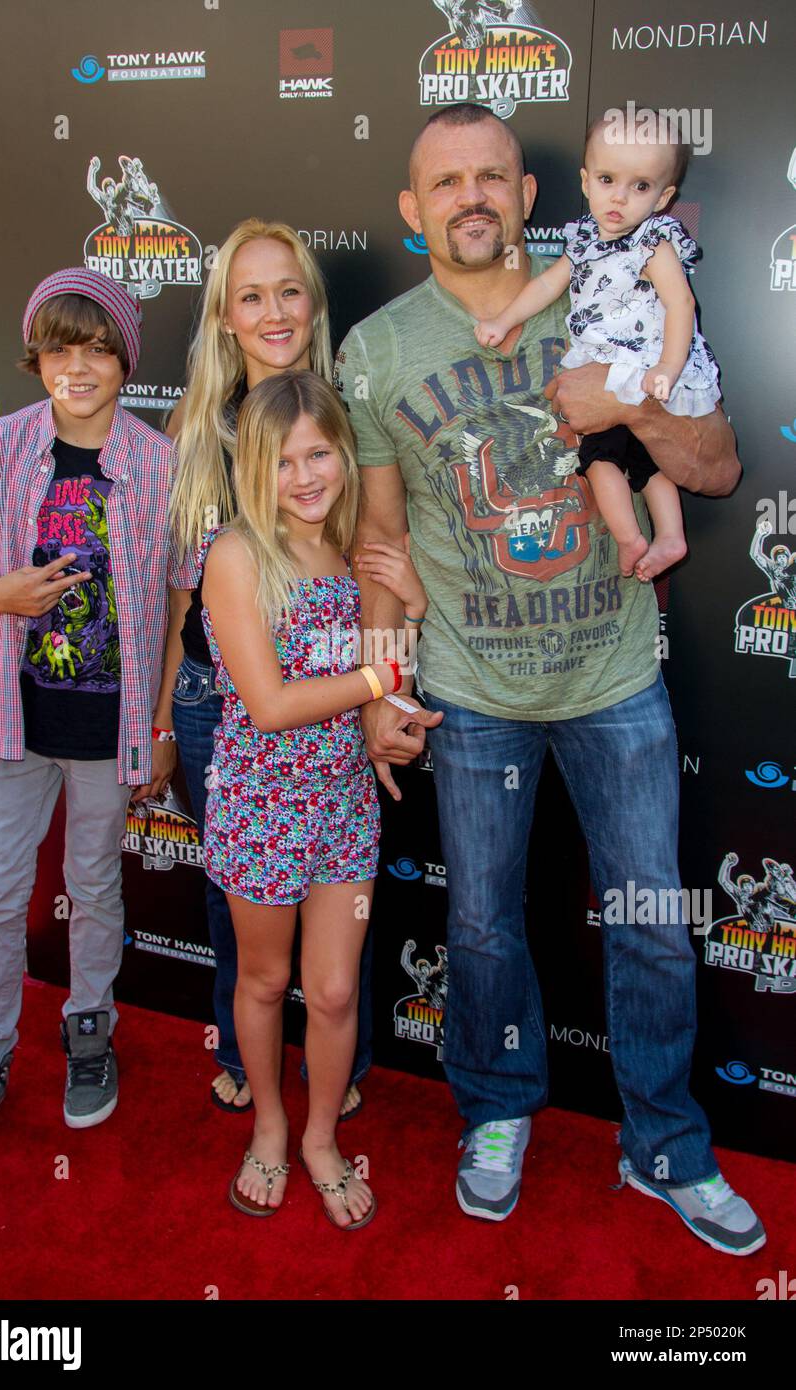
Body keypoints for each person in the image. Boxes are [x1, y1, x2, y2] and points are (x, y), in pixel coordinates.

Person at [335, 102, 766, 1255]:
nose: (471, 197)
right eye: (446, 182)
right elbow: (378, 542)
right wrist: (380, 686)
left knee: (653, 929)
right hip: (471, 693)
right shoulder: (375, 350)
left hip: (615, 677)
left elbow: (716, 464)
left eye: (493, 177)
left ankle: (665, 1145)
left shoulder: (613, 282)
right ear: (411, 211)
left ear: (534, 197)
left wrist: (624, 403)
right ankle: (494, 1109)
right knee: (477, 927)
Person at [0, 268, 198, 1164]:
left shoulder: (160, 462)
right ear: (35, 354)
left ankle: (90, 1033)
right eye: (58, 347)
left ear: (125, 358)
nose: (76, 367)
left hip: (109, 730)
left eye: (95, 348)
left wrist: (160, 721)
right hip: (15, 720)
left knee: (96, 890)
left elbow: (175, 607)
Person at [200, 369, 426, 1227]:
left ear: (343, 452)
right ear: (254, 467)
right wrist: (379, 673)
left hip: (343, 809)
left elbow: (392, 678)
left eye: (319, 453)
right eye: (283, 459)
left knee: (333, 993)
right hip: (261, 807)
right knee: (262, 982)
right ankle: (268, 1125)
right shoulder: (234, 555)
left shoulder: (348, 552)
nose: (304, 475)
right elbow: (271, 705)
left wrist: (409, 603)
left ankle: (322, 1137)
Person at [158, 219, 373, 1119]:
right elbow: (179, 591)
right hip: (221, 701)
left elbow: (378, 570)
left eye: (289, 290)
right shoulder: (200, 433)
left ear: (313, 305)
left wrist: (382, 685)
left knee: (330, 925)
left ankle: (333, 1076)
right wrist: (167, 716)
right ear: (224, 317)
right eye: (251, 295)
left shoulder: (343, 418)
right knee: (241, 907)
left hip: (333, 705)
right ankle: (253, 1071)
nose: (273, 310)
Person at [476, 107, 721, 584]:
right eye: (608, 180)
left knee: (627, 459)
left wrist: (669, 366)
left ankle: (655, 536)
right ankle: (648, 536)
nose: (620, 198)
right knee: (620, 460)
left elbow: (680, 304)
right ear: (586, 182)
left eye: (641, 187)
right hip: (602, 365)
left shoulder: (655, 244)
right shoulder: (584, 239)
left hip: (645, 367)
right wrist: (503, 319)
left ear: (664, 197)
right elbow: (546, 287)